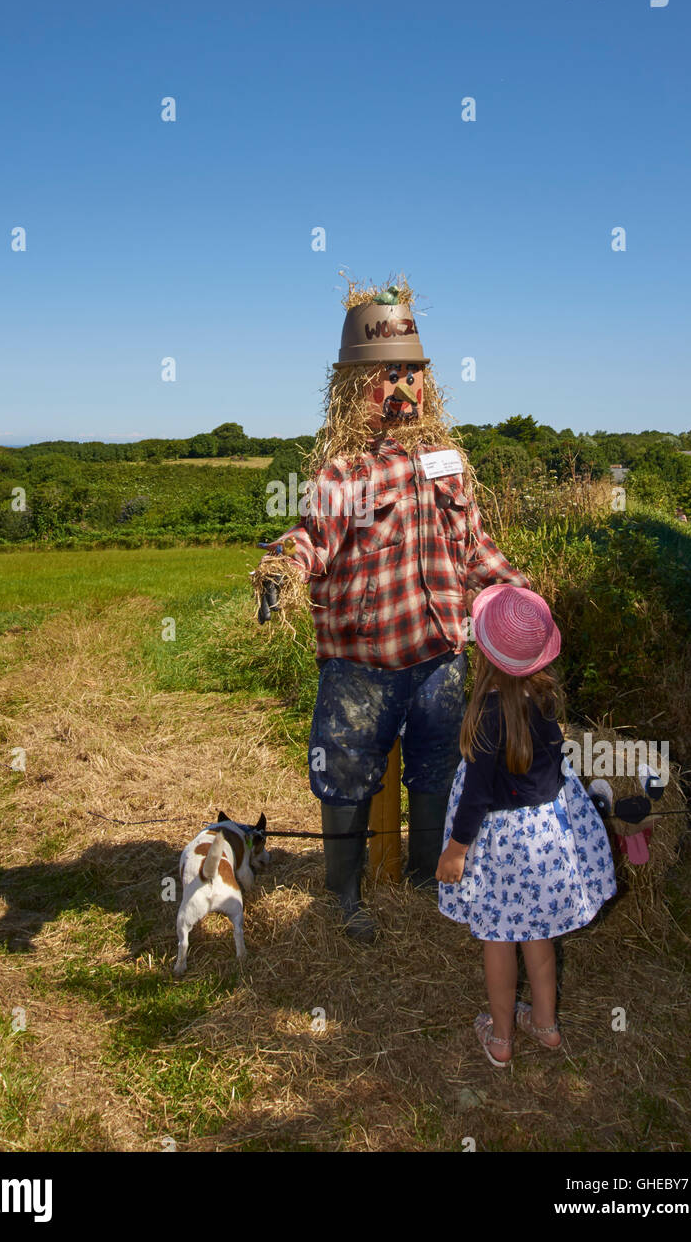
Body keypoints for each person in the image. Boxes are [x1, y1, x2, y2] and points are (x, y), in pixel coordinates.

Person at [255, 278, 529, 942]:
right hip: (362, 663)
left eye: (411, 374)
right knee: (345, 772)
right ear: (356, 390)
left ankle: (423, 878)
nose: (403, 390)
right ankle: (344, 897)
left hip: (440, 654)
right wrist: (282, 571)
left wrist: (517, 591)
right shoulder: (341, 474)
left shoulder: (447, 463)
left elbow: (473, 546)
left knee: (438, 766)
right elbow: (310, 541)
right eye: (386, 377)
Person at [435, 584, 616, 1066]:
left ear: (485, 655)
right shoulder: (545, 700)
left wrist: (456, 849)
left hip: (500, 848)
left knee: (498, 939)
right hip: (544, 843)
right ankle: (545, 1025)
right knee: (539, 936)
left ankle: (500, 1038)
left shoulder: (488, 715)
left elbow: (476, 796)